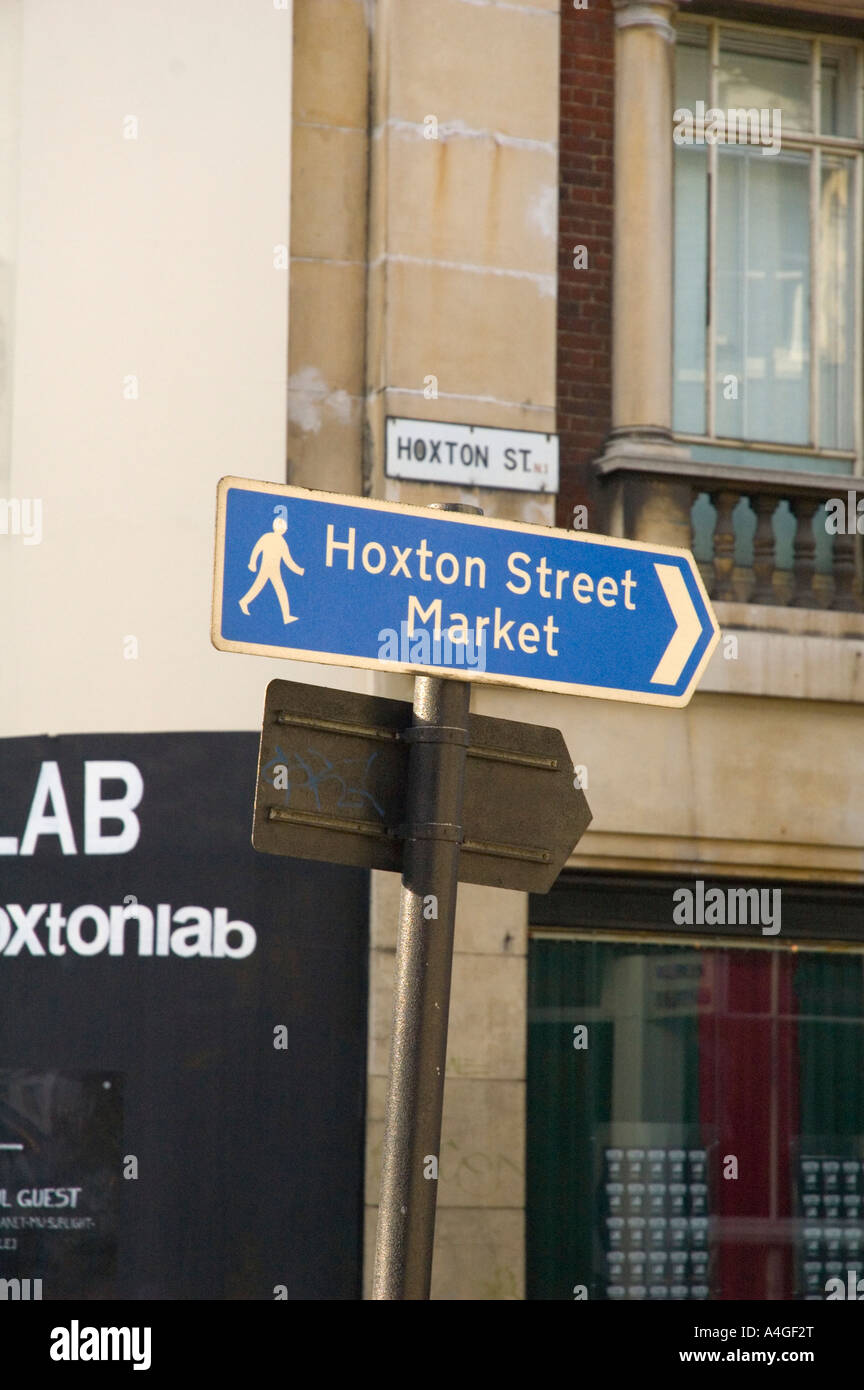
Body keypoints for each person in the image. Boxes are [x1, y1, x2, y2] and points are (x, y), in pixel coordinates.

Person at [239, 516, 305, 624]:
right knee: (266, 588)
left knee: (272, 589)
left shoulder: (278, 540)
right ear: (283, 529)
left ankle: (286, 616)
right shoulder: (269, 538)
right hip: (267, 568)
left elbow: (287, 560)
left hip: (274, 570)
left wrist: (299, 570)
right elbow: (257, 549)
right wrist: (252, 563)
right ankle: (244, 602)